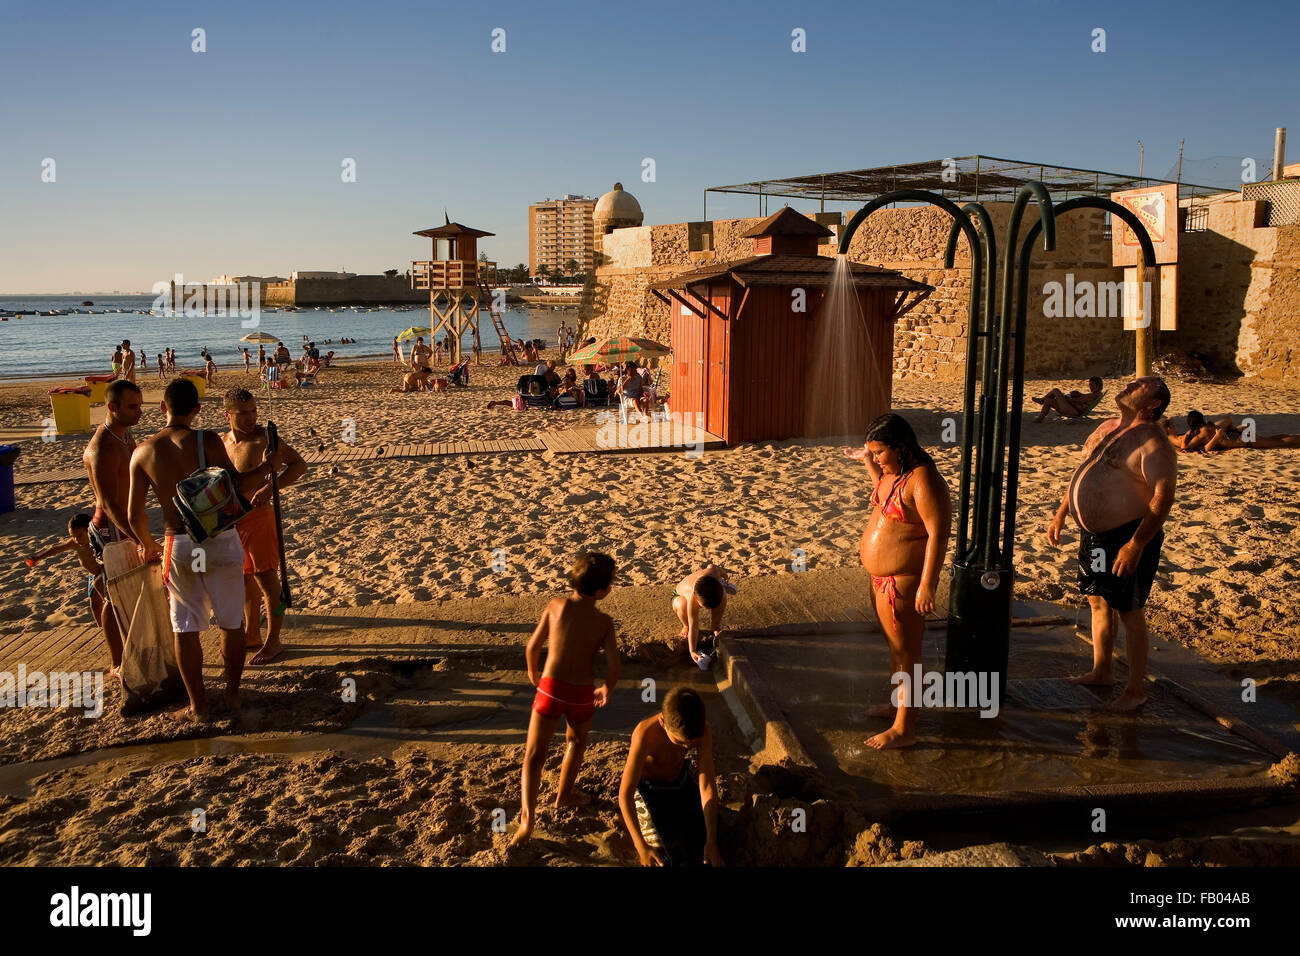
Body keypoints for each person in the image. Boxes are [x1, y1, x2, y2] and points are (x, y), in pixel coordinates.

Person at [127, 378, 282, 721]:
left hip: (179, 544)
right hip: (220, 540)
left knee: (186, 627)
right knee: (231, 622)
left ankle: (198, 706)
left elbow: (133, 514)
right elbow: (238, 485)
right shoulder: (207, 440)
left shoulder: (143, 452)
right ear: (197, 410)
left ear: (162, 408)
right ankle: (233, 696)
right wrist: (269, 466)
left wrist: (146, 543)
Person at [1047, 376, 1176, 712]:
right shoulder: (1107, 427)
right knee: (1097, 599)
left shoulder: (1153, 444)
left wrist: (1136, 544)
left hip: (1126, 537)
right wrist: (1062, 513)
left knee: (1129, 609)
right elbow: (1084, 470)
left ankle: (1136, 690)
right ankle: (1102, 671)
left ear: (1152, 405)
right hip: (1096, 538)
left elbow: (1163, 496)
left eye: (1141, 386)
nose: (1131, 385)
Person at [845, 413, 952, 749]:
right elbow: (881, 486)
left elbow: (939, 534)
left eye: (879, 452)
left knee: (908, 654)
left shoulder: (923, 480)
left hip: (905, 583)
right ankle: (896, 705)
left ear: (901, 447)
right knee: (895, 649)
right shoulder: (895, 474)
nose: (877, 458)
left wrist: (927, 585)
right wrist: (867, 461)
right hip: (882, 580)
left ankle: (905, 729)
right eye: (872, 452)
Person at [509, 552, 621, 848]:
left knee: (534, 756)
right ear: (600, 591)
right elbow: (614, 666)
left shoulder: (555, 606)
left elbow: (532, 647)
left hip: (550, 688)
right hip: (582, 693)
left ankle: (526, 821)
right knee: (576, 742)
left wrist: (535, 675)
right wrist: (607, 688)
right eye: (610, 583)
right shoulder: (604, 622)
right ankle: (564, 795)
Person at [223, 388, 307, 665]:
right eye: (243, 413)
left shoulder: (265, 440)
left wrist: (272, 488)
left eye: (253, 411)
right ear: (228, 415)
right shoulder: (223, 442)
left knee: (268, 580)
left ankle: (274, 641)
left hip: (259, 517)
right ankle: (251, 634)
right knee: (243, 580)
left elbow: (298, 465)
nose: (250, 418)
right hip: (231, 520)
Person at [80, 379, 144, 676]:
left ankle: (134, 646)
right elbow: (107, 503)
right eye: (133, 407)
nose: (139, 412)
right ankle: (117, 660)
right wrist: (137, 536)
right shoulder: (103, 447)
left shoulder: (125, 435)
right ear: (112, 407)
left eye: (140, 406)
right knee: (112, 595)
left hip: (127, 521)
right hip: (110, 526)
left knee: (129, 590)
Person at [619, 687, 724, 867]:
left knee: (712, 840)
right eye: (680, 742)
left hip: (680, 782)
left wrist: (711, 842)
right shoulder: (645, 734)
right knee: (667, 857)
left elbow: (706, 784)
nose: (687, 747)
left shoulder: (703, 730)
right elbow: (625, 794)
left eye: (691, 744)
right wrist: (641, 847)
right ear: (662, 722)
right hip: (649, 790)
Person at [672, 564, 735, 664]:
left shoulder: (714, 572)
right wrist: (692, 651)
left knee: (723, 594)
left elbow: (712, 566)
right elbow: (694, 627)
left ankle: (715, 626)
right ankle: (685, 625)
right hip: (679, 594)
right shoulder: (692, 599)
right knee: (682, 605)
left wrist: (725, 577)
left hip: (710, 587)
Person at [1032, 377, 1104, 422]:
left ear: (1098, 385)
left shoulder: (1094, 395)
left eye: (1092, 385)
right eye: (1089, 385)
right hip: (1071, 408)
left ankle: (1041, 401)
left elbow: (1077, 401)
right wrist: (1078, 394)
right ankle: (1039, 419)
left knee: (1056, 390)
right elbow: (1083, 397)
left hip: (1074, 411)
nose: (1090, 387)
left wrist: (1067, 397)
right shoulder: (1095, 394)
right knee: (1048, 400)